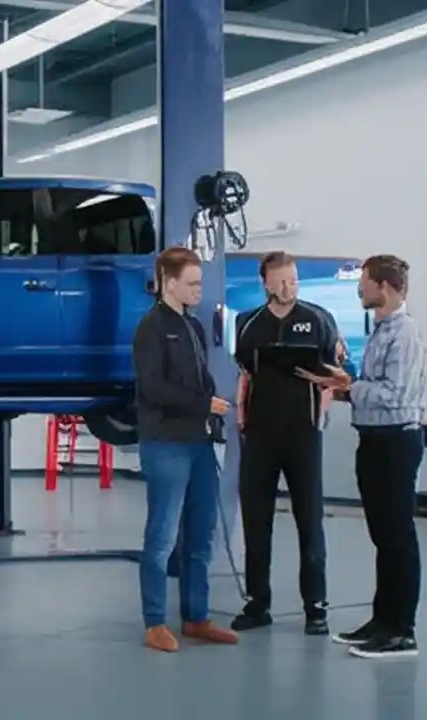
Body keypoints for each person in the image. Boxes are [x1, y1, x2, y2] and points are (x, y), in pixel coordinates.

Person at [297, 254, 427, 659]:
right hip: (374, 440)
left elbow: (396, 395)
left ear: (383, 287)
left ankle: (401, 631)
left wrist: (349, 387)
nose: (359, 288)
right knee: (382, 537)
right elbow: (375, 385)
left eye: (364, 282)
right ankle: (381, 621)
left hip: (395, 444)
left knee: (397, 538)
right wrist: (340, 386)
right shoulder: (381, 330)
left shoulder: (403, 334)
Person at [229, 251, 346, 636]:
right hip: (260, 436)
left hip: (302, 436)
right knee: (256, 522)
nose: (288, 287)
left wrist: (320, 414)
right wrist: (241, 417)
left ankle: (316, 607)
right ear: (265, 283)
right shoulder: (249, 325)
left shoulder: (318, 320)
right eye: (281, 280)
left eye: (293, 280)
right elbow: (246, 375)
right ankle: (258, 603)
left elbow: (337, 375)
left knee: (309, 521)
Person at [132, 246, 239, 653]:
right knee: (162, 536)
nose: (199, 289)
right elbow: (153, 388)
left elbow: (199, 379)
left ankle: (196, 616)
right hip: (166, 445)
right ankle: (155, 621)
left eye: (200, 282)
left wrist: (210, 404)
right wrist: (201, 404)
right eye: (192, 283)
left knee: (201, 534)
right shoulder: (151, 329)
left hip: (198, 443)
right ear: (169, 282)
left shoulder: (192, 327)